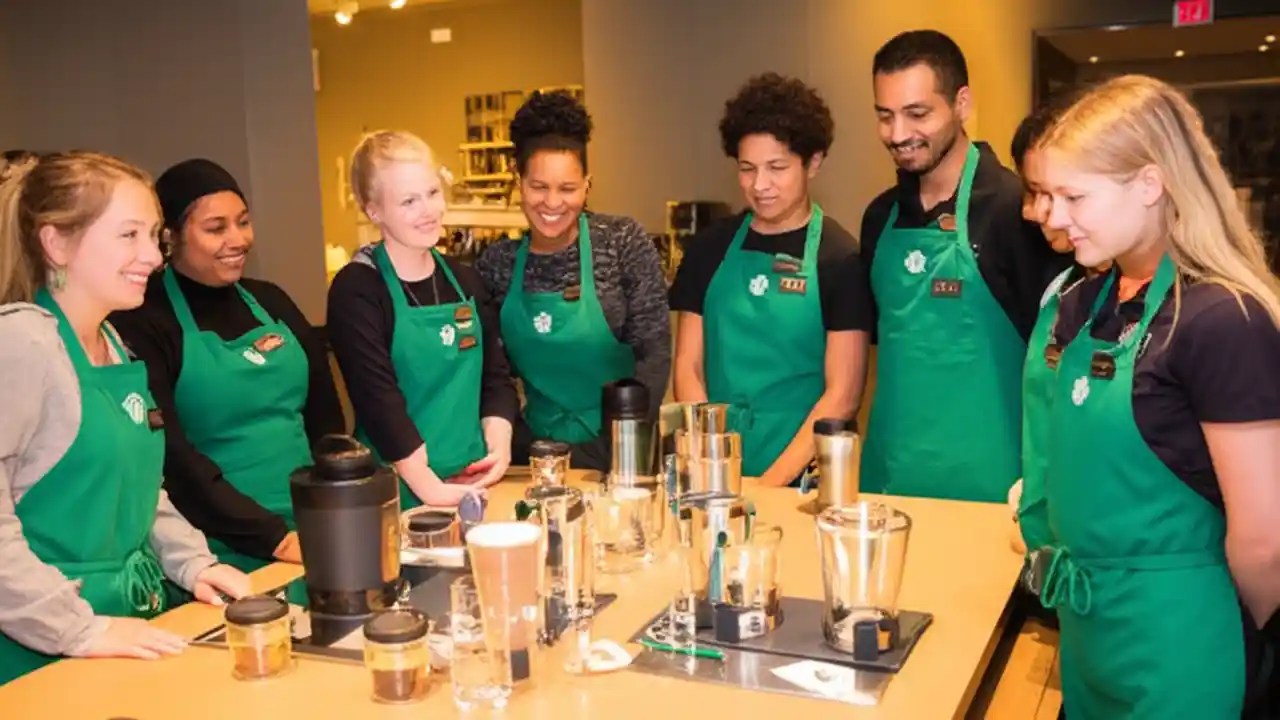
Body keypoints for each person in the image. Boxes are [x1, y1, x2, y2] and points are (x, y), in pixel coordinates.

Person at [1034, 74, 1280, 718]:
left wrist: (1224, 625)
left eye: (1073, 196)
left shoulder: (1223, 320)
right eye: (1049, 196)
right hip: (1091, 631)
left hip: (1182, 643)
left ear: (1149, 184)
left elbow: (1264, 541)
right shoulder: (1085, 303)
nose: (1054, 218)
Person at [0, 152, 248, 685]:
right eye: (128, 235)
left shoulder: (115, 345)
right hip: (39, 655)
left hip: (127, 630)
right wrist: (79, 630)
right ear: (56, 242)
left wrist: (192, 563)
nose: (153, 258)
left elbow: (140, 492)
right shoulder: (20, 343)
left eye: (153, 236)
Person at [110, 159, 346, 592]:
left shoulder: (270, 300)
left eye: (243, 222)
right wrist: (273, 537)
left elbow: (325, 417)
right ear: (171, 237)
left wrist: (334, 510)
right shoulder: (146, 321)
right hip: (217, 547)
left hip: (312, 526)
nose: (238, 240)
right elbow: (171, 459)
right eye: (216, 228)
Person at [859, 30, 1070, 503]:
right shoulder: (879, 218)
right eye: (885, 116)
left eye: (917, 113)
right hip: (889, 486)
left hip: (995, 491)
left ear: (962, 103)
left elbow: (1058, 365)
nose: (898, 134)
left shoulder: (1019, 211)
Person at [671, 73, 873, 485]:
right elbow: (688, 367)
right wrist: (714, 462)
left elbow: (843, 394)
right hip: (715, 472)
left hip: (802, 480)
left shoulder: (841, 259)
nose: (759, 185)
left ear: (813, 162)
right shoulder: (708, 250)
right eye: (747, 169)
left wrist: (768, 486)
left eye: (777, 168)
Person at [475, 91, 670, 471]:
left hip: (622, 456)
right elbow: (490, 373)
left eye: (567, 189)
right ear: (519, 183)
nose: (552, 203)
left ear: (587, 185)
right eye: (538, 187)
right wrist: (518, 444)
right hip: (534, 458)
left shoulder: (621, 243)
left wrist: (614, 447)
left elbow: (655, 354)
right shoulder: (498, 265)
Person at [328, 131, 518, 508]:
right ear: (373, 210)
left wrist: (499, 447)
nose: (428, 210)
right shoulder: (359, 290)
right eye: (409, 201)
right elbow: (377, 400)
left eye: (432, 193)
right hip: (397, 493)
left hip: (473, 482)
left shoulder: (465, 280)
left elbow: (494, 377)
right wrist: (430, 488)